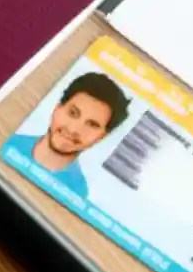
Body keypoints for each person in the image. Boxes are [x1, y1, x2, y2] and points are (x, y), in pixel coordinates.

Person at [9, 72, 130, 200]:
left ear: (102, 136)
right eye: (72, 113)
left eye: (92, 125)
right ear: (57, 108)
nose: (73, 130)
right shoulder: (10, 141)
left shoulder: (78, 192)